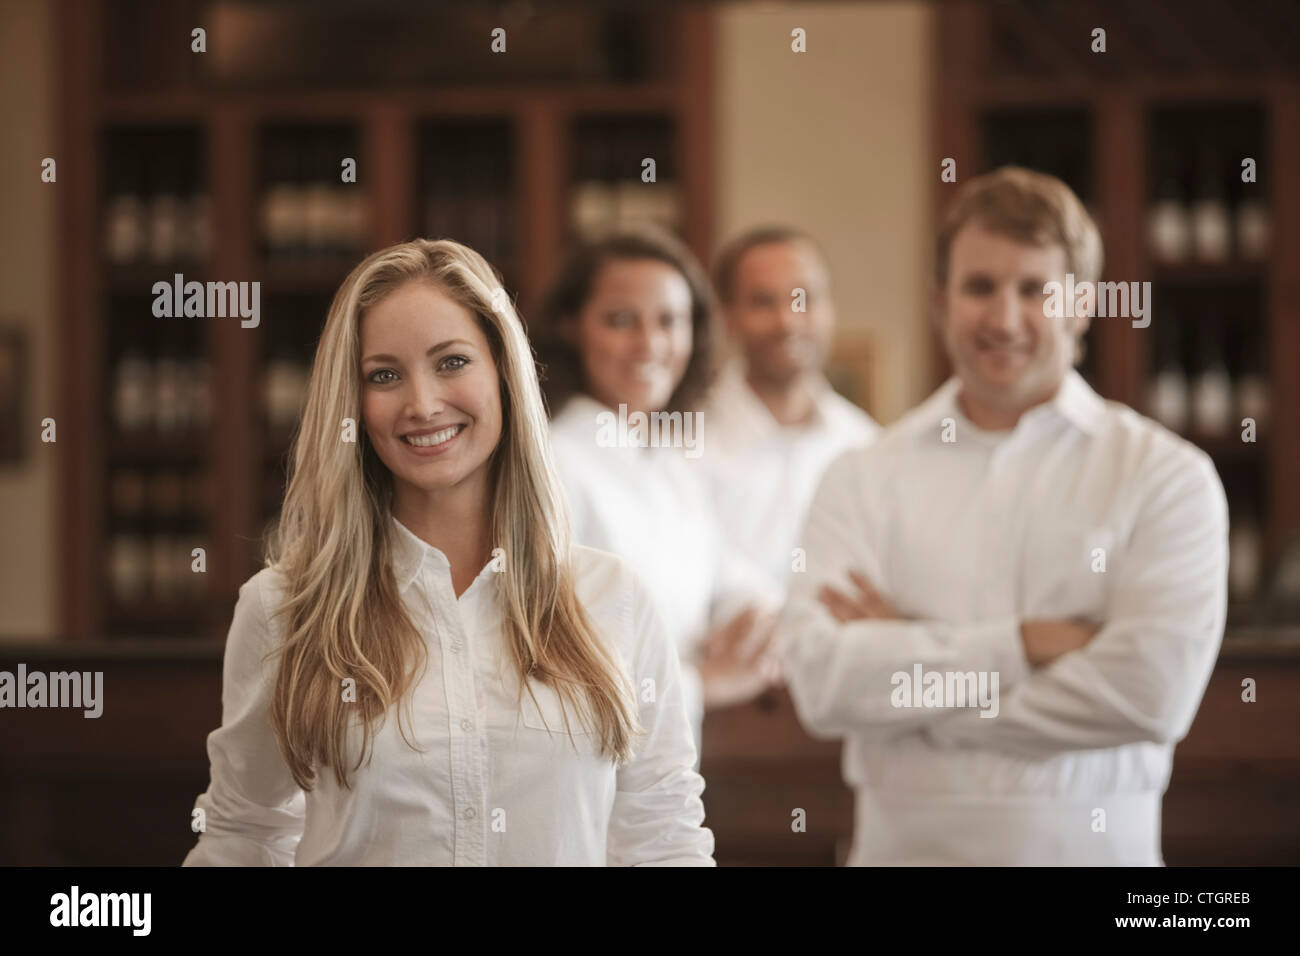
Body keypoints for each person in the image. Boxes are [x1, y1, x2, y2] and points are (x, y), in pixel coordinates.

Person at [183, 239, 713, 866]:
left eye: (452, 362)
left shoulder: (614, 599)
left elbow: (663, 839)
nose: (422, 404)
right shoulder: (282, 607)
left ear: (504, 373)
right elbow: (243, 833)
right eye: (384, 375)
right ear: (351, 403)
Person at [779, 167, 1228, 866]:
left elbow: (1149, 694)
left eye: (1035, 290)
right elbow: (821, 683)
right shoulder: (861, 476)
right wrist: (1023, 645)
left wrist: (910, 660)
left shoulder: (1166, 477)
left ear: (1081, 305)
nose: (1004, 318)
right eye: (979, 286)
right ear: (939, 301)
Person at [536, 226, 781, 758]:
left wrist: (757, 613)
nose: (650, 344)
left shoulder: (670, 464)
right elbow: (547, 672)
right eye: (621, 320)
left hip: (675, 768)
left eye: (670, 321)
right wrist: (704, 683)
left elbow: (730, 576)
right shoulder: (549, 465)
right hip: (588, 773)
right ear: (571, 326)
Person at [701, 226, 880, 594]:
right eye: (763, 302)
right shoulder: (679, 442)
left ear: (830, 308)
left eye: (803, 299)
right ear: (728, 318)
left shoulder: (867, 445)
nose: (787, 320)